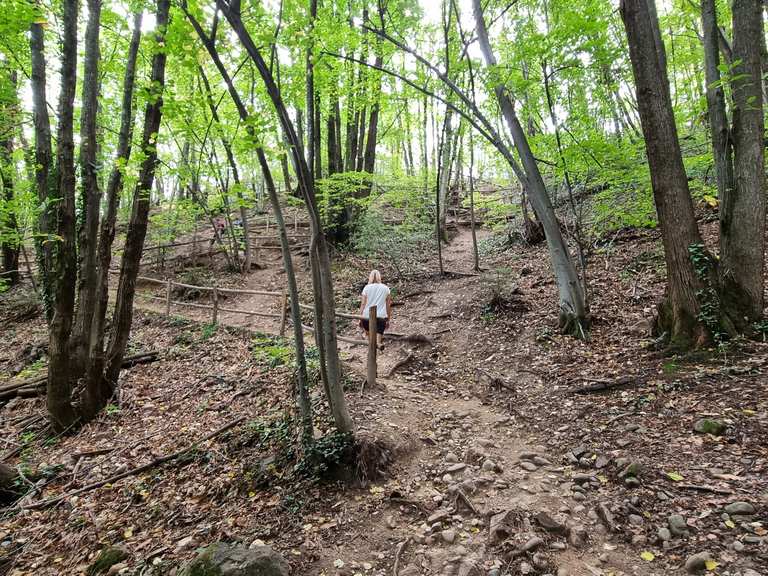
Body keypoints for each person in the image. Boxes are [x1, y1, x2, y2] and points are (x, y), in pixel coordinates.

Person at [359, 269, 392, 350]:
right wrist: (388, 319)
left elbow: (363, 304)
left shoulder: (366, 288)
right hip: (381, 317)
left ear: (370, 277)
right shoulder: (386, 288)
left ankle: (370, 353)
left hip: (367, 317)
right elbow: (388, 305)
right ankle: (376, 353)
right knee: (378, 342)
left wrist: (360, 318)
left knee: (370, 341)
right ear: (379, 277)